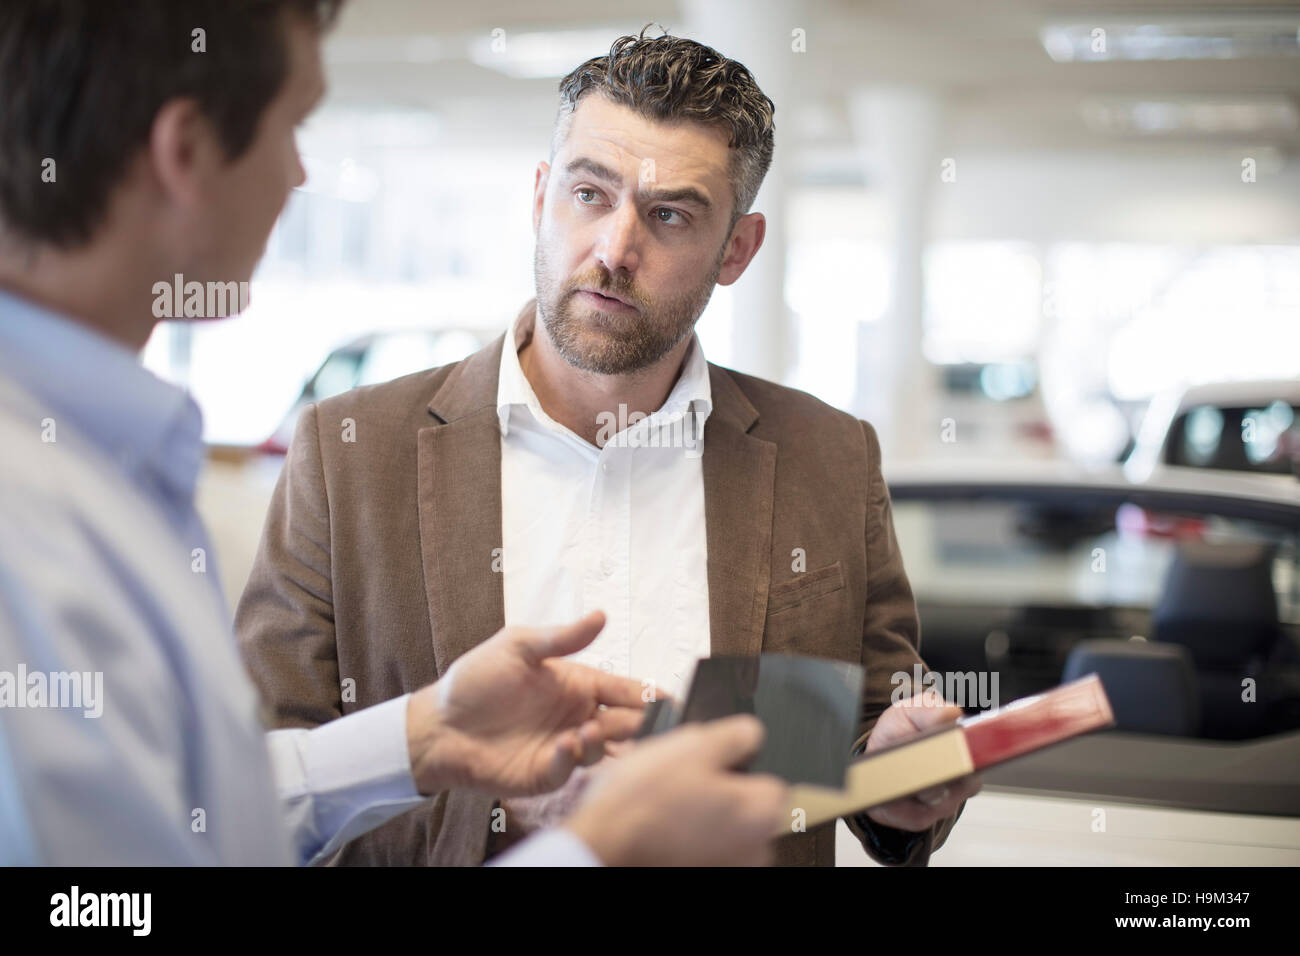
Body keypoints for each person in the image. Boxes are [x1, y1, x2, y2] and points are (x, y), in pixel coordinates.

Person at [0, 0, 789, 867]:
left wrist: (418, 736)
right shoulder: (35, 513)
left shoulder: (101, 465)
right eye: (292, 126)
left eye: (671, 213)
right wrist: (597, 852)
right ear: (184, 152)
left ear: (736, 248)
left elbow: (185, 816)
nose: (300, 174)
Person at [236, 27, 982, 867]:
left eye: (669, 216)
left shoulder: (826, 457)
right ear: (541, 197)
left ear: (737, 249)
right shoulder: (351, 454)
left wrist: (904, 777)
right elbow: (250, 782)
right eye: (591, 195)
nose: (615, 251)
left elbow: (869, 747)